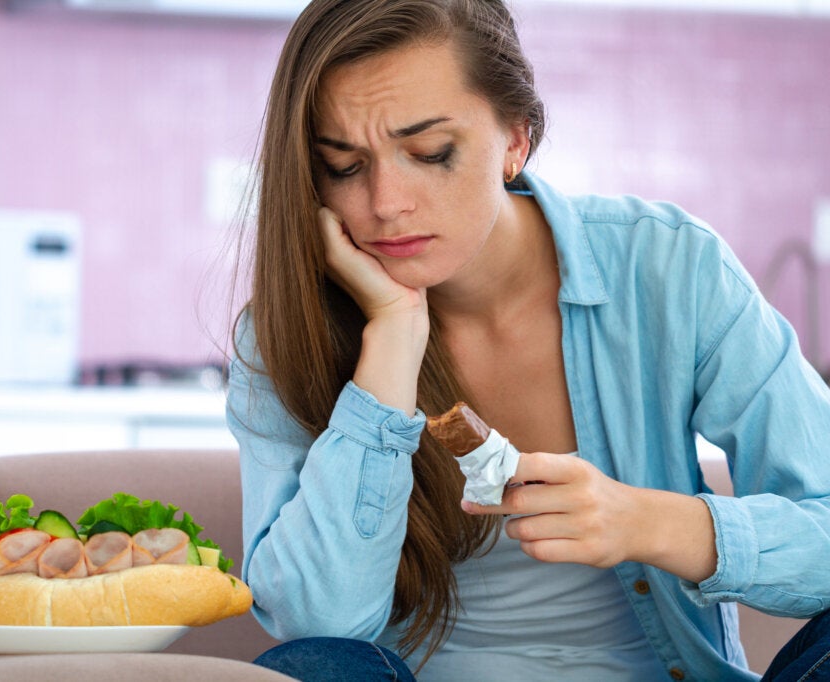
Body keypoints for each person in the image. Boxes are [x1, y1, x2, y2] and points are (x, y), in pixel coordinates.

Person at [223, 1, 830, 680]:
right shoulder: (284, 333)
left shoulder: (666, 267)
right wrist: (392, 340)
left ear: (517, 139)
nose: (386, 202)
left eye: (429, 153)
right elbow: (317, 630)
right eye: (343, 166)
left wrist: (645, 523)